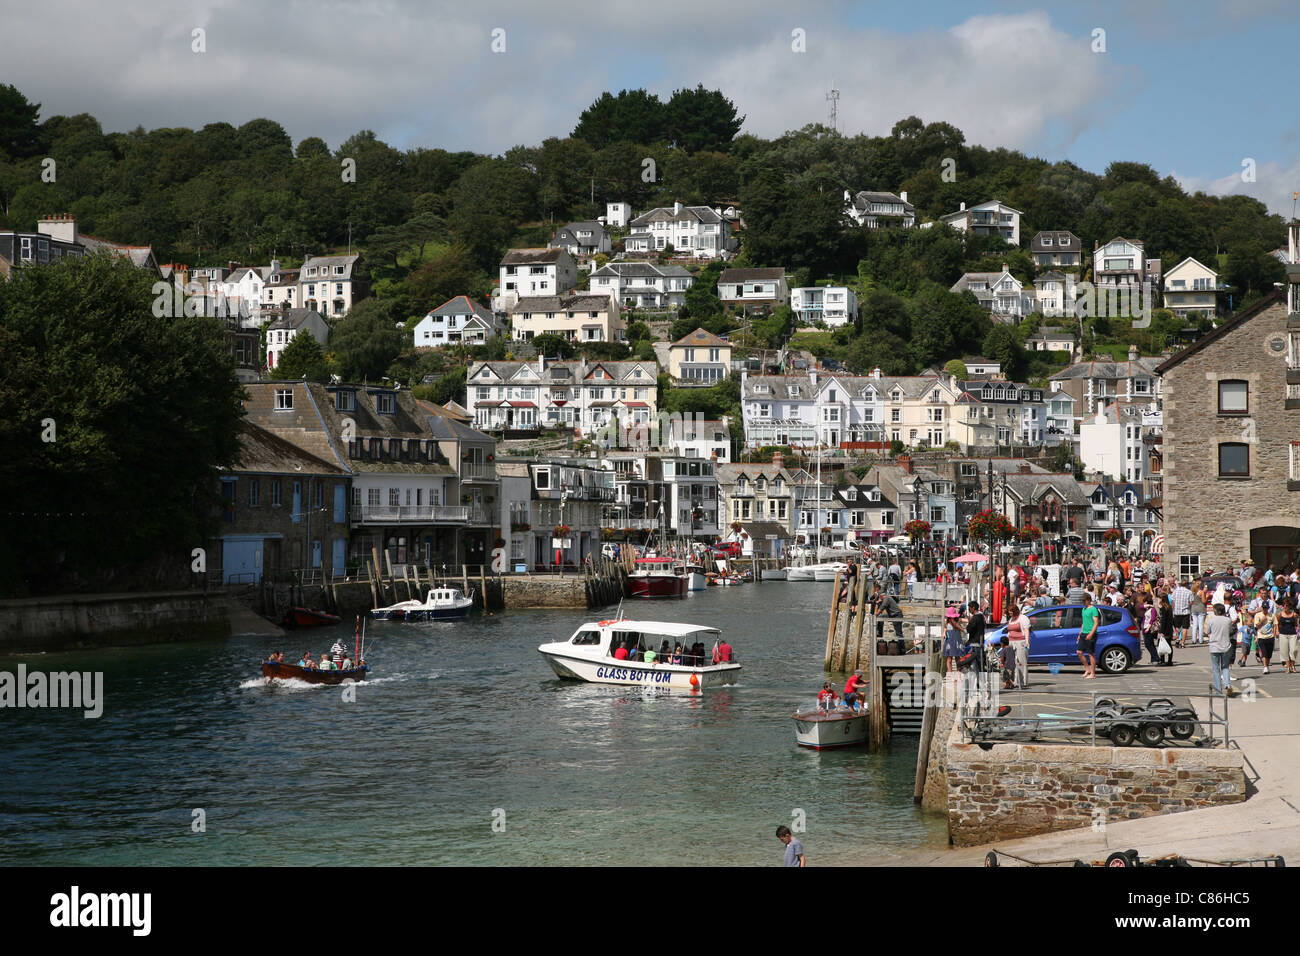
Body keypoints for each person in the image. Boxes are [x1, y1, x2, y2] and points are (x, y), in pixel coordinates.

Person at [1206, 603, 1235, 696]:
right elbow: (1230, 630)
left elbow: (1207, 631)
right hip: (1225, 645)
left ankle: (1218, 689)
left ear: (1215, 611)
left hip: (1214, 646)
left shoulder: (1211, 620)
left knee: (1216, 668)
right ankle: (1228, 684)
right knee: (1225, 667)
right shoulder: (1228, 620)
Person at [1007, 600, 1031, 688]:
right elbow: (1009, 631)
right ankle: (1014, 681)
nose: (1010, 615)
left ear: (1015, 611)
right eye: (1009, 613)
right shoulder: (1011, 619)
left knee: (1021, 662)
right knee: (1012, 662)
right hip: (1011, 642)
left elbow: (1026, 630)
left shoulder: (1023, 618)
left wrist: (1027, 641)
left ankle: (1023, 681)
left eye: (1011, 613)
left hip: (1021, 642)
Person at [1078, 592, 1100, 679]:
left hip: (1091, 633)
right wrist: (1080, 633)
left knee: (1090, 653)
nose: (1083, 602)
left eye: (1084, 601)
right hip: (1084, 633)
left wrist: (1091, 633)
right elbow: (1083, 622)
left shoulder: (1093, 609)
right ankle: (1087, 669)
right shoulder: (1083, 609)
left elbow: (1096, 623)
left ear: (1088, 600)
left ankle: (1093, 673)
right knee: (1079, 652)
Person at [1277, 598, 1299, 674]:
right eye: (1284, 606)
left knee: (1294, 650)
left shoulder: (1294, 614)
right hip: (1283, 634)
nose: (1286, 607)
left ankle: (1293, 665)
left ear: (1290, 606)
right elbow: (1278, 624)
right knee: (1284, 651)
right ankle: (1288, 667)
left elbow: (1296, 624)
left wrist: (1297, 632)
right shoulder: (1280, 614)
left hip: (1292, 634)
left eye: (1287, 606)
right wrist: (1277, 631)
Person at [942, 606, 965, 673]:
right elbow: (945, 628)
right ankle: (951, 674)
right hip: (950, 640)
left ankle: (959, 674)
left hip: (957, 639)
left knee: (958, 658)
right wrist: (944, 633)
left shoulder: (958, 620)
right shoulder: (946, 621)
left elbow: (967, 620)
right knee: (949, 659)